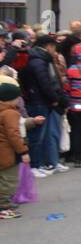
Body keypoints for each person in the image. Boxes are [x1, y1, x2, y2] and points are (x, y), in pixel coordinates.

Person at [19, 34, 66, 177]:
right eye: (54, 47)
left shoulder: (38, 60)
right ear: (48, 46)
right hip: (39, 101)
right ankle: (35, 165)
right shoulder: (39, 61)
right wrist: (54, 97)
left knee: (42, 134)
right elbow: (44, 82)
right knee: (37, 135)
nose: (55, 51)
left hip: (39, 99)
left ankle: (40, 163)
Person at [0, 78, 31, 219]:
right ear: (9, 99)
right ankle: (4, 207)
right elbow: (14, 134)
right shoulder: (10, 113)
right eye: (17, 97)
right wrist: (23, 151)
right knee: (9, 180)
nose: (19, 100)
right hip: (7, 153)